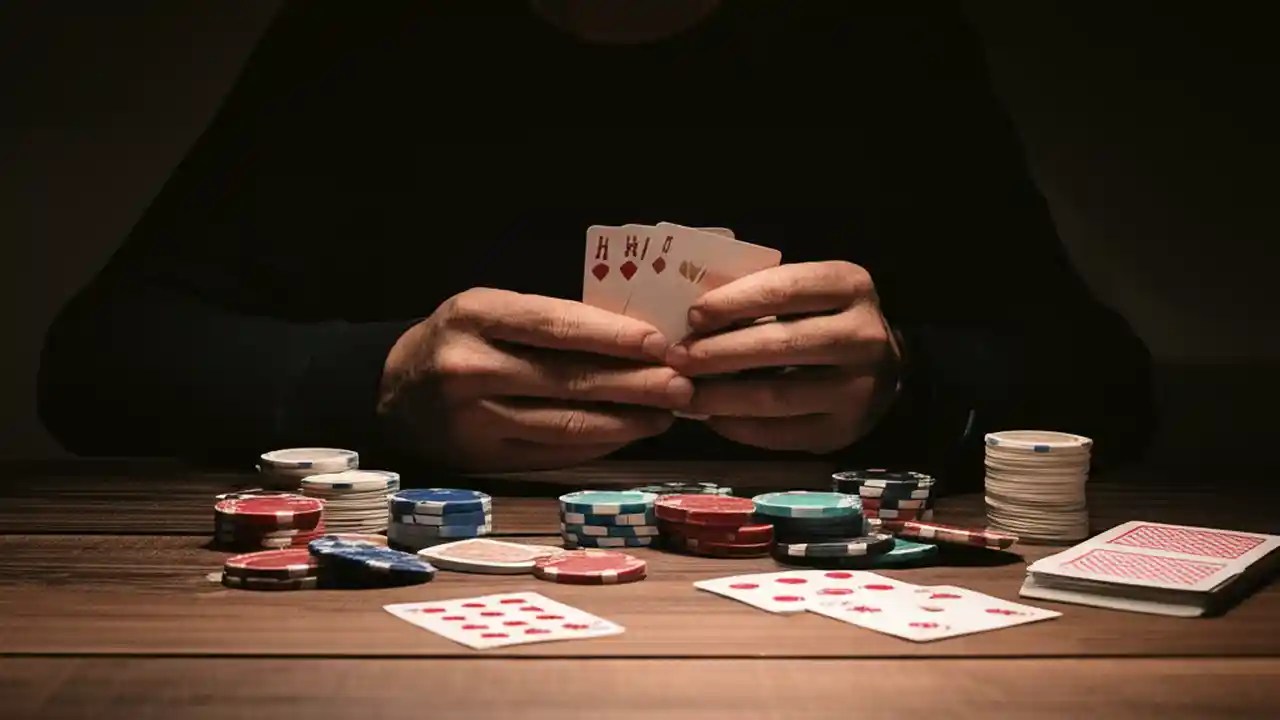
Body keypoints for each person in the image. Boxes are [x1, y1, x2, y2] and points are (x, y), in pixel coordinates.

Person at [37, 1, 1154, 490]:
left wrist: (905, 382)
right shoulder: (366, 33)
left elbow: (1105, 387)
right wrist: (381, 382)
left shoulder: (879, 42)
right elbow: (96, 368)